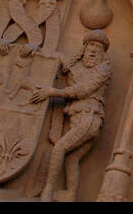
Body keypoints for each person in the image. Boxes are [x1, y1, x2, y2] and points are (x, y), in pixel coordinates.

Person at [30, 29, 111, 201]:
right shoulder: (77, 67)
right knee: (72, 159)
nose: (93, 49)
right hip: (79, 120)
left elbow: (83, 90)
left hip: (89, 119)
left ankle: (48, 192)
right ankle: (70, 195)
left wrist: (53, 92)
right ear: (84, 48)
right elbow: (58, 57)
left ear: (103, 53)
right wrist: (33, 48)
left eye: (98, 47)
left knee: (59, 148)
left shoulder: (103, 69)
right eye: (91, 45)